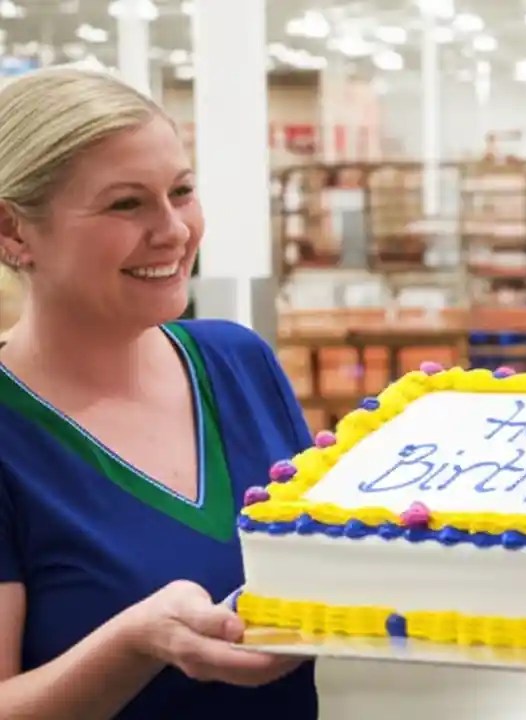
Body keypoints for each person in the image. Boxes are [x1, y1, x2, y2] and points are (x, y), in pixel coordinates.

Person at [0, 67, 316, 718]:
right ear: (12, 233)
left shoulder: (240, 363)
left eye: (182, 191)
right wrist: (134, 645)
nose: (172, 231)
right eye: (126, 203)